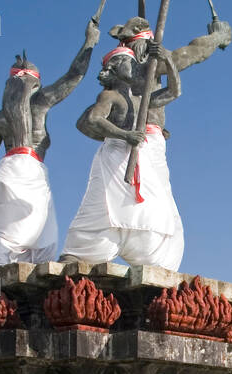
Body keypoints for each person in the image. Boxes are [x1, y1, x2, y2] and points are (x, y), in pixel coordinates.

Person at [0, 17, 100, 265]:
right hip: (31, 176)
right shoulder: (40, 103)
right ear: (36, 84)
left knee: (4, 242)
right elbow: (74, 76)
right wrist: (90, 42)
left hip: (4, 177)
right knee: (40, 240)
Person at [61, 37, 184, 268]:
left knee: (147, 207)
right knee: (102, 203)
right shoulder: (109, 96)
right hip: (116, 154)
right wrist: (124, 135)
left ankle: (150, 251)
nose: (135, 65)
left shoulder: (142, 99)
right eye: (129, 62)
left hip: (139, 157)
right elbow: (93, 118)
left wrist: (167, 57)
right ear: (116, 67)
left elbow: (174, 92)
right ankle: (83, 249)